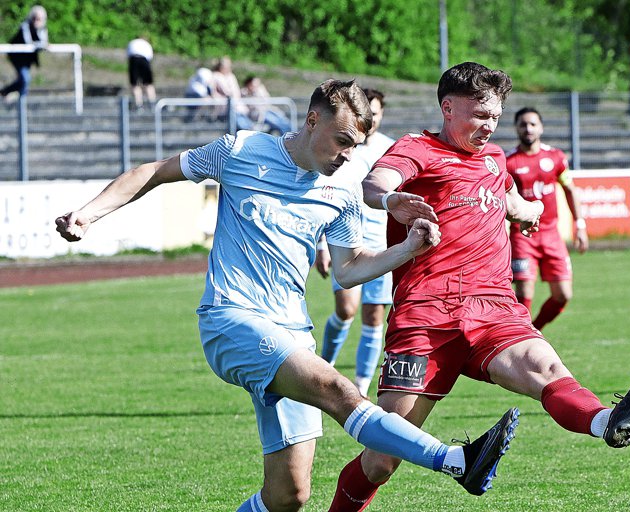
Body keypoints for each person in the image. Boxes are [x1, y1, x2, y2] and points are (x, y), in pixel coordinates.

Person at [53, 79, 518, 512]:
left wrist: (406, 249)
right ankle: (456, 460)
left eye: (355, 146)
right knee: (339, 390)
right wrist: (88, 214)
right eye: (340, 141)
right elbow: (153, 171)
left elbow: (351, 270)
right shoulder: (241, 150)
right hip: (231, 319)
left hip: (292, 334)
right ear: (312, 120)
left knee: (289, 495)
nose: (346, 156)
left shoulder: (340, 192)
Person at [327, 61, 630, 511]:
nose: (489, 126)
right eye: (479, 116)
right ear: (448, 108)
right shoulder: (418, 148)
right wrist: (393, 200)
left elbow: (504, 197)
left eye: (495, 116)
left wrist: (527, 212)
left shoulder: (494, 158)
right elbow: (376, 184)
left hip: (494, 308)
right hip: (426, 317)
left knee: (548, 372)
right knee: (381, 460)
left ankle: (607, 420)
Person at [314, 87, 393, 397]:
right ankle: (324, 365)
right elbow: (323, 193)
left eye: (375, 112)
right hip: (344, 239)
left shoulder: (392, 148)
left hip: (382, 243)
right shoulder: (343, 147)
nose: (370, 118)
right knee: (346, 309)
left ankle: (360, 386)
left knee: (374, 316)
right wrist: (321, 244)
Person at [505, 107, 588, 330]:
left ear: (541, 127)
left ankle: (534, 330)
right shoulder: (507, 162)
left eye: (532, 124)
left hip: (551, 234)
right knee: (523, 293)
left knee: (563, 294)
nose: (528, 128)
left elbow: (570, 190)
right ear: (516, 128)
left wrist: (580, 225)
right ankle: (520, 338)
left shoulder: (556, 158)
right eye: (523, 124)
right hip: (522, 235)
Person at [1, 5, 48, 102]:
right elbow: (29, 42)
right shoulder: (25, 26)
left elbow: (44, 43)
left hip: (27, 58)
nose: (36, 21)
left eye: (39, 19)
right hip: (17, 56)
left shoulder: (42, 28)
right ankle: (7, 93)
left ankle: (8, 93)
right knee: (25, 79)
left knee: (24, 82)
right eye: (35, 18)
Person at [210, 56, 254, 130]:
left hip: (236, 107)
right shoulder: (217, 76)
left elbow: (236, 92)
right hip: (225, 108)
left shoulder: (231, 76)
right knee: (242, 124)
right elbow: (227, 92)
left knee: (245, 121)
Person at [126, 34, 157, 110]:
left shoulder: (132, 42)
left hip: (133, 60)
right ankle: (152, 103)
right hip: (144, 61)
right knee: (148, 84)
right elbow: (150, 57)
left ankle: (139, 105)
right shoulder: (147, 44)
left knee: (135, 84)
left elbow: (128, 55)